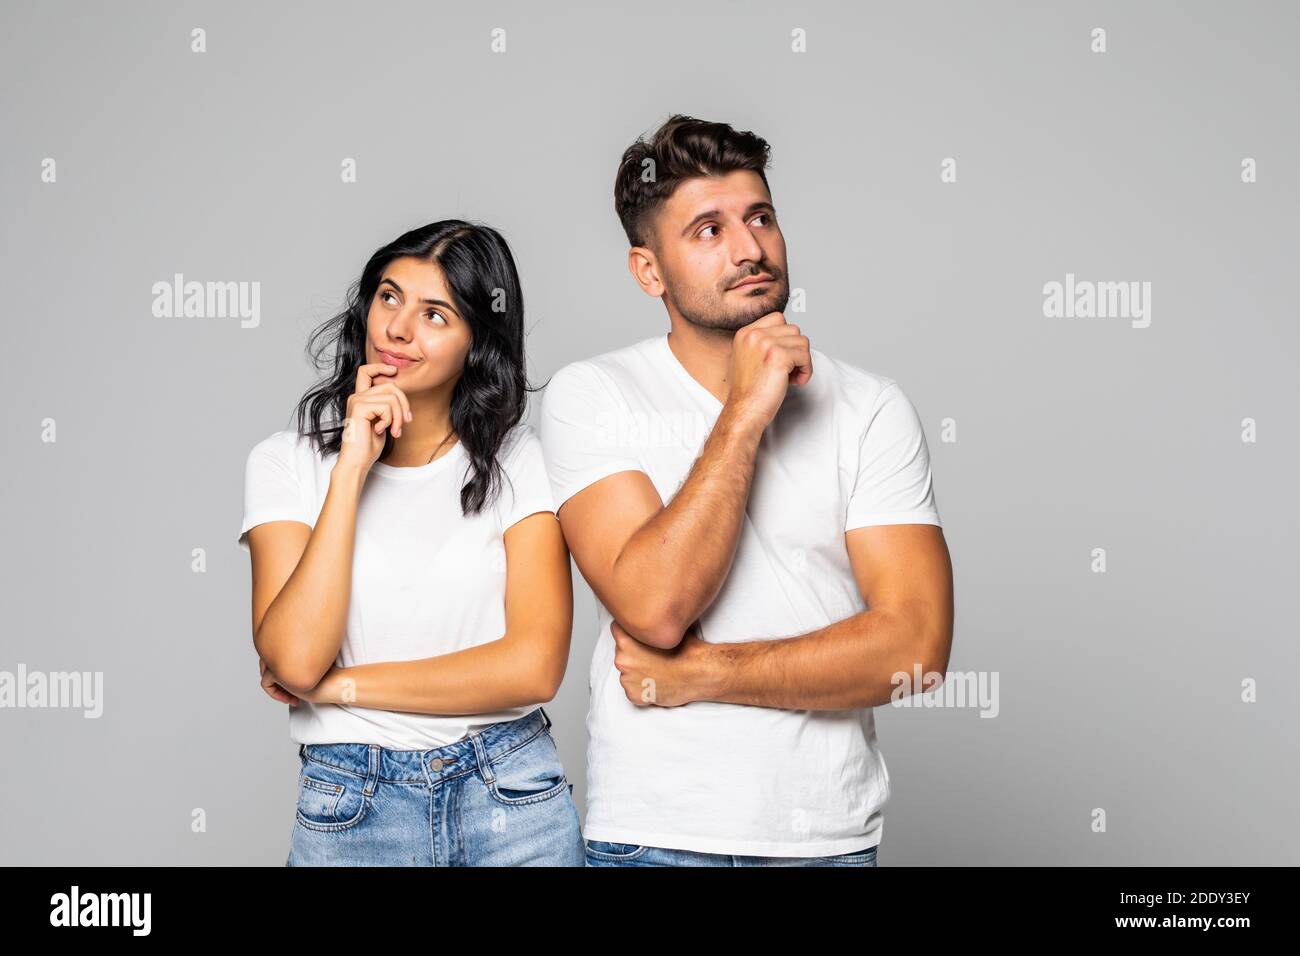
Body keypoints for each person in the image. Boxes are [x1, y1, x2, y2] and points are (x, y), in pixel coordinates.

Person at [538, 115, 955, 867]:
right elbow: (658, 607)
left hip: (828, 841)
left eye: (760, 217)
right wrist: (745, 410)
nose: (749, 248)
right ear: (648, 271)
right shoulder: (593, 396)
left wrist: (709, 674)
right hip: (656, 839)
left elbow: (917, 649)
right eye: (707, 230)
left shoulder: (870, 406)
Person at [239, 220, 583, 866]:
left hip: (509, 795)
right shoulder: (284, 464)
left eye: (435, 314)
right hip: (351, 806)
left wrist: (337, 687)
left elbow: (533, 666)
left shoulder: (521, 462)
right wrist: (350, 470)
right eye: (389, 297)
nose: (398, 329)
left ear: (476, 342)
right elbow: (293, 656)